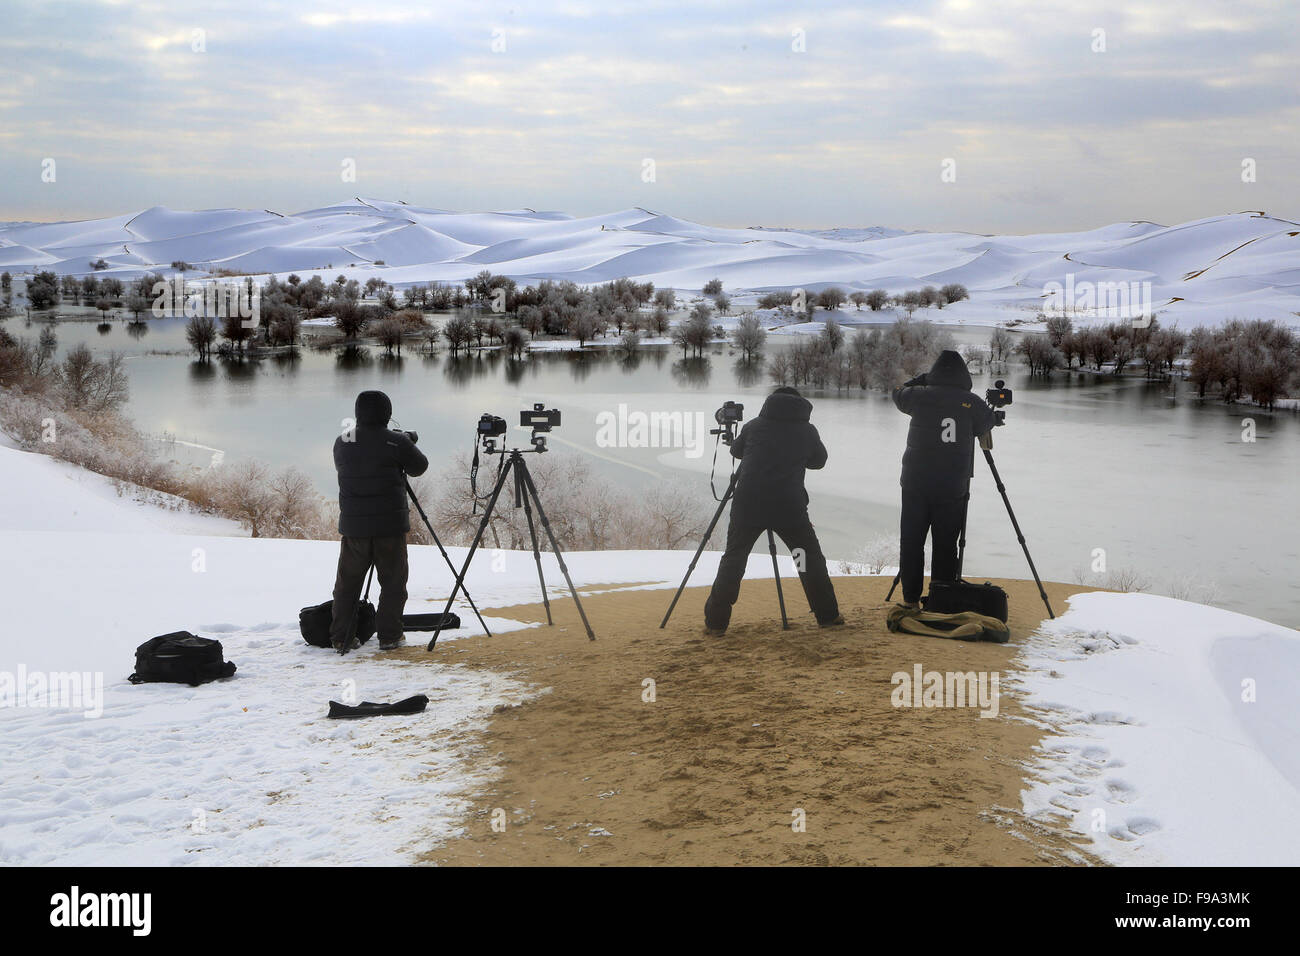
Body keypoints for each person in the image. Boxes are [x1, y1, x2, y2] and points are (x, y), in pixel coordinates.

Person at [704, 386, 842, 634]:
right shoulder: (807, 430)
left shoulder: (754, 426)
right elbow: (819, 461)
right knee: (806, 558)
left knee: (735, 558)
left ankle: (716, 623)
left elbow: (736, 451)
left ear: (770, 402)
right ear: (800, 406)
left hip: (748, 505)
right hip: (789, 507)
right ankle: (828, 616)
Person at [891, 350, 996, 609]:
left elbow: (897, 392)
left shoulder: (918, 397)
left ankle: (910, 600)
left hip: (916, 483)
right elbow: (988, 422)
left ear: (934, 373)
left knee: (912, 541)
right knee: (946, 543)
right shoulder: (972, 402)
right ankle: (941, 598)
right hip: (952, 486)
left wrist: (922, 380)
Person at [330, 390, 429, 653]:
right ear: (387, 412)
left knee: (347, 584)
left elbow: (362, 457)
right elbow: (419, 467)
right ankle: (390, 636)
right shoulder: (396, 443)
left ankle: (341, 636)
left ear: (358, 411)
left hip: (354, 528)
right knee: (393, 583)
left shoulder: (342, 442)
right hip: (389, 528)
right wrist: (405, 441)